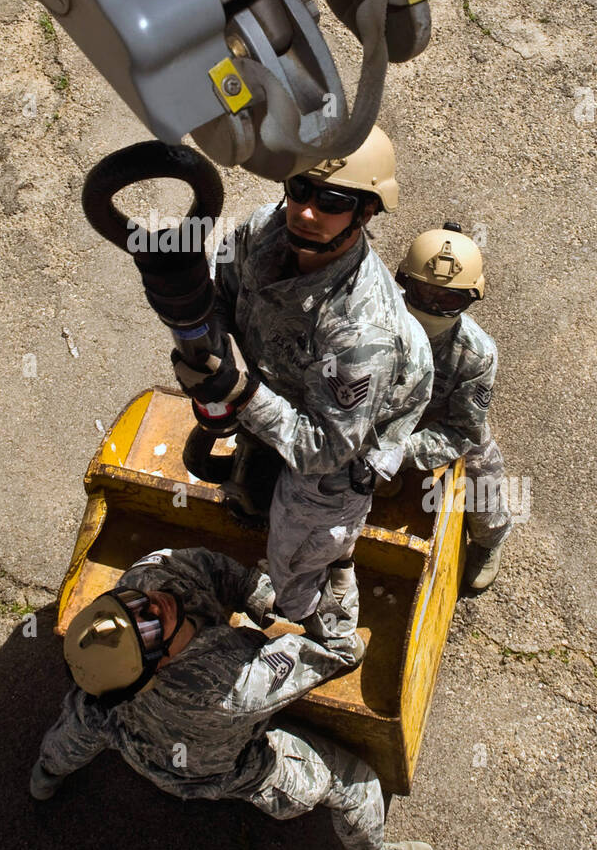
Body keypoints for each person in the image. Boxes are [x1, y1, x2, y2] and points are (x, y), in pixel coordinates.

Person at [31, 546, 435, 850]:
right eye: (149, 626)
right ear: (156, 666)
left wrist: (264, 597)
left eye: (132, 604)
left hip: (133, 738)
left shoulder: (142, 587)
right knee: (357, 783)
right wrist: (342, 575)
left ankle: (46, 774)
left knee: (81, 721)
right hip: (224, 769)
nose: (152, 603)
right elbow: (341, 649)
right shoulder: (236, 687)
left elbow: (205, 566)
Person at [172, 127, 433, 641]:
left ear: (367, 212)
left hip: (349, 435)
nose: (307, 211)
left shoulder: (362, 332)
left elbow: (323, 449)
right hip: (284, 384)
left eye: (333, 200)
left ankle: (323, 616)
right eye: (299, 189)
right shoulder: (264, 232)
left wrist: (240, 393)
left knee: (295, 553)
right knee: (252, 481)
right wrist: (207, 352)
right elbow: (223, 295)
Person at [396, 223, 511, 590]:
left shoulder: (477, 353)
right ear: (405, 283)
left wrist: (398, 452)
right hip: (383, 418)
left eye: (447, 299)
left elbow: (463, 429)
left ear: (470, 298)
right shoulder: (376, 320)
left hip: (443, 425)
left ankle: (488, 542)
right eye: (424, 290)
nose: (432, 303)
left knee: (482, 474)